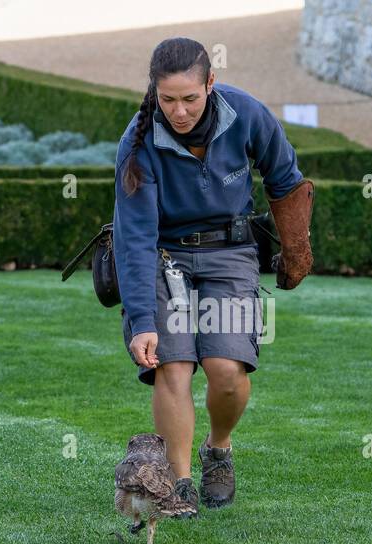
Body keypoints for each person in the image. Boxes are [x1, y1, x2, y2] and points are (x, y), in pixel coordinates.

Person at [114, 36, 305, 510]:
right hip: (165, 257)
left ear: (211, 84)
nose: (179, 112)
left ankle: (218, 449)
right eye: (168, 100)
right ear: (154, 93)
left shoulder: (247, 114)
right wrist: (141, 320)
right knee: (172, 365)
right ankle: (178, 485)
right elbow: (134, 237)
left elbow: (285, 178)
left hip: (231, 251)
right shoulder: (137, 143)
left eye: (190, 99)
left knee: (226, 372)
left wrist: (298, 251)